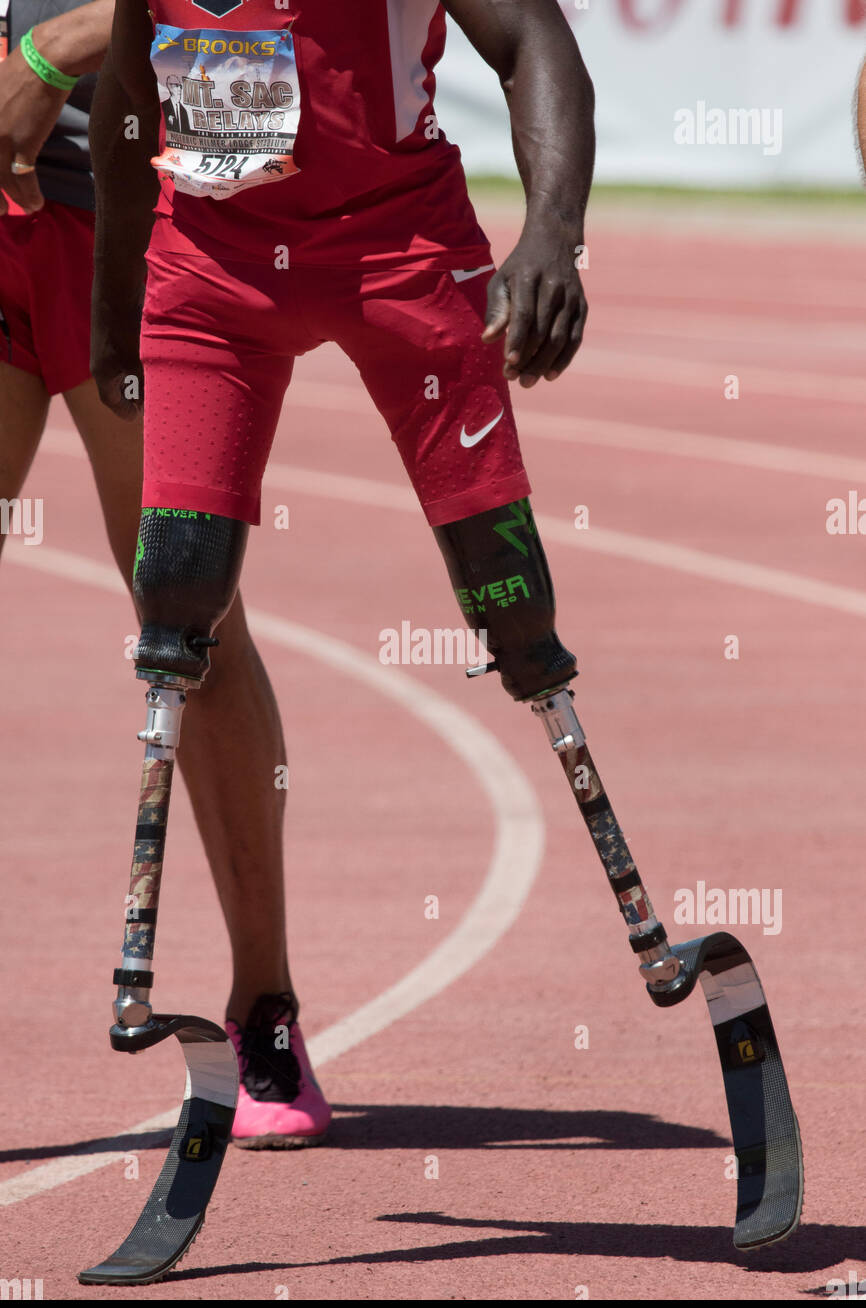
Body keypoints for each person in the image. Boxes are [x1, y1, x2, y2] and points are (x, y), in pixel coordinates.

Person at [89, 0, 595, 1145]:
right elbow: (127, 97)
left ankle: (644, 925)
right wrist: (115, 310)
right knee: (174, 606)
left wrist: (549, 236)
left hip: (398, 254)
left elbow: (534, 43)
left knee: (515, 608)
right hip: (212, 271)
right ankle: (254, 1008)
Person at [0, 0, 331, 1148]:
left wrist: (70, 45)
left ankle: (264, 1004)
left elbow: (261, 78)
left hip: (138, 220)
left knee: (192, 617)